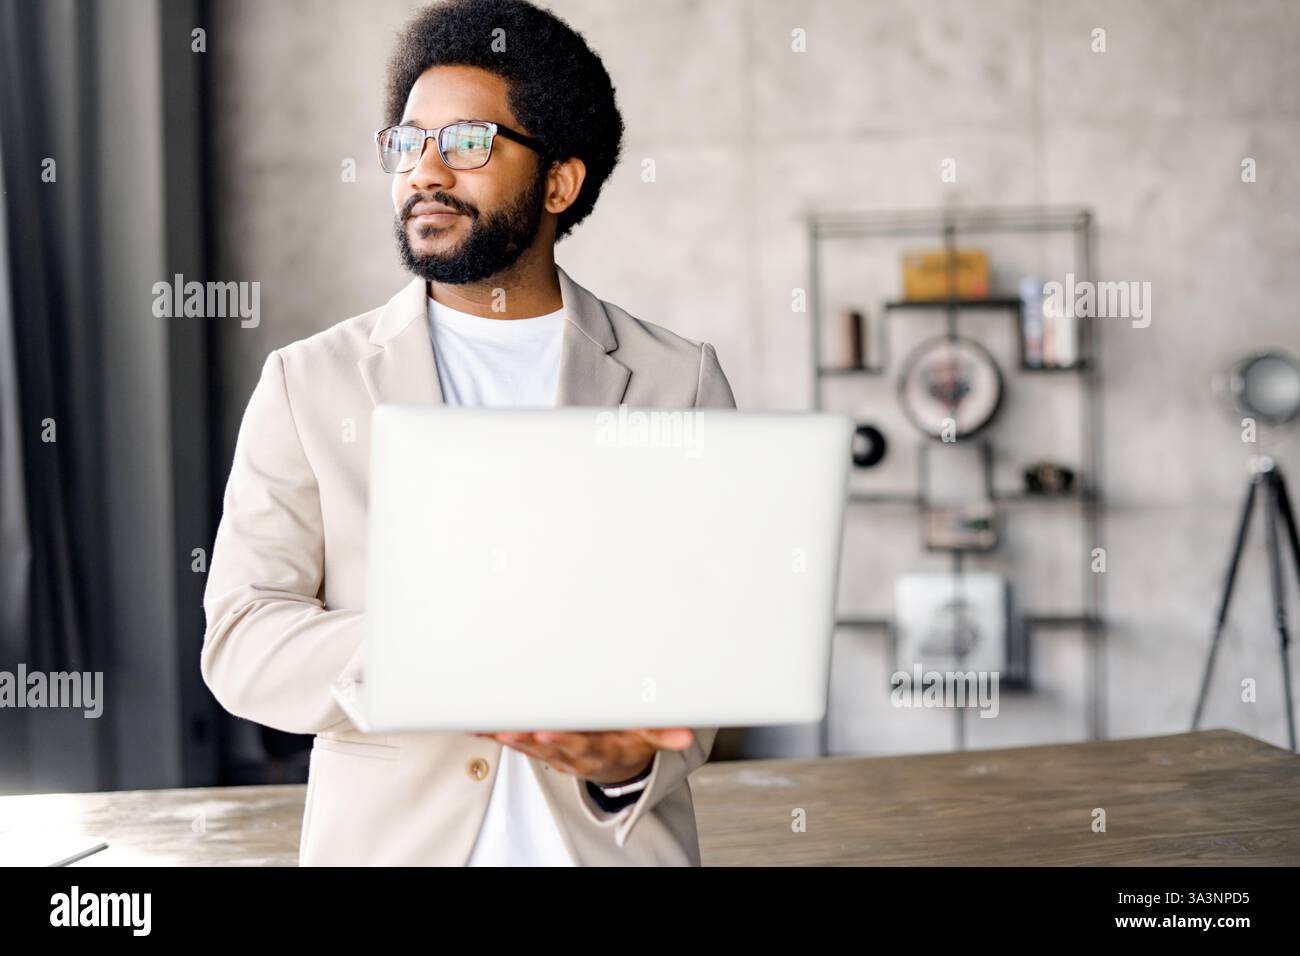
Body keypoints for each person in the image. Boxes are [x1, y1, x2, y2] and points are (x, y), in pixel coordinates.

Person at [201, 0, 737, 866]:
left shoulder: (679, 380)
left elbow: (707, 648)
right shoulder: (309, 384)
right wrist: (444, 642)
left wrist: (631, 759)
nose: (426, 171)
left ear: (559, 181)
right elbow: (242, 641)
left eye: (468, 144)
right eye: (408, 144)